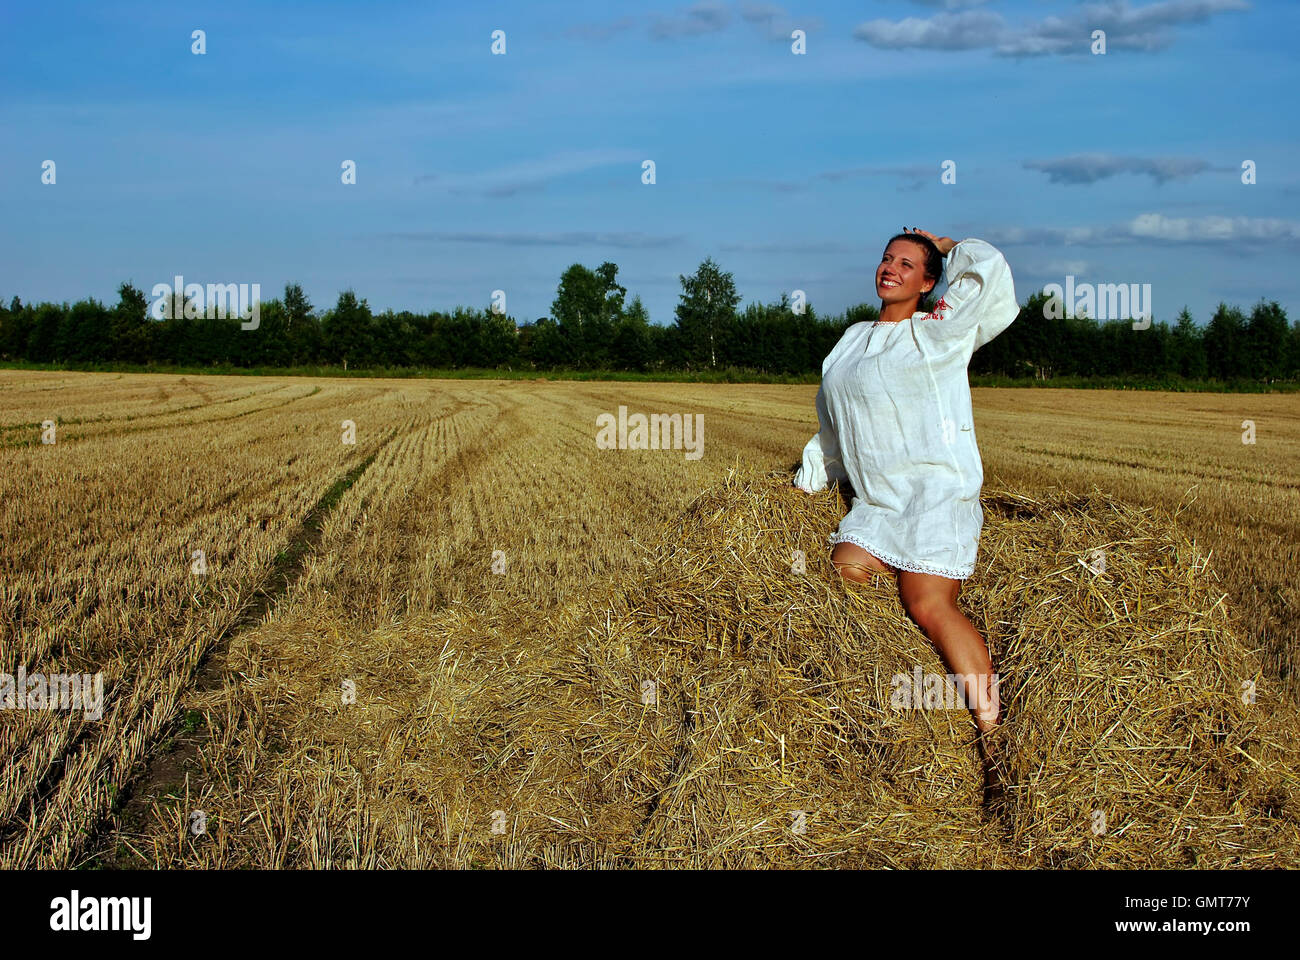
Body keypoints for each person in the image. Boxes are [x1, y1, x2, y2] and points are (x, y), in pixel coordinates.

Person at [793, 227, 1018, 740]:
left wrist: (944, 244)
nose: (890, 268)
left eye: (906, 264)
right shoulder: (850, 341)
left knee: (926, 602)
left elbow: (989, 274)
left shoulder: (937, 329)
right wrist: (805, 484)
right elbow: (833, 429)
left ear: (928, 282)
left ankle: (989, 731)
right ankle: (872, 718)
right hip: (877, 505)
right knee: (843, 576)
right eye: (886, 259)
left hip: (936, 495)